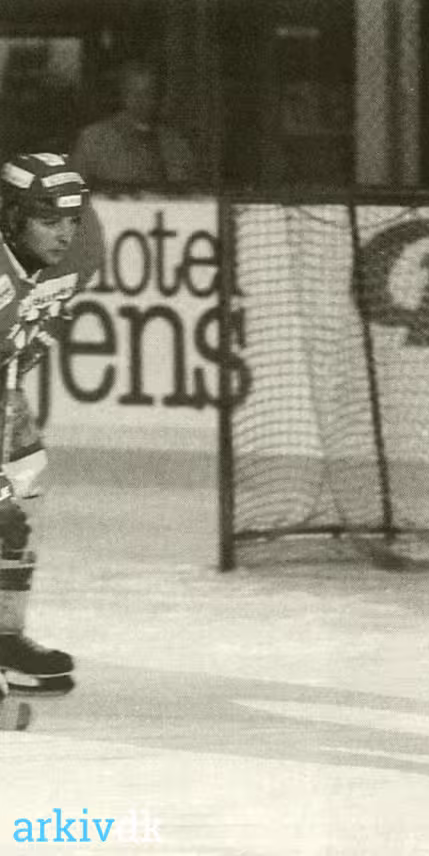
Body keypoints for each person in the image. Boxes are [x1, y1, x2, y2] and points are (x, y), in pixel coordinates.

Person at [0, 152, 100, 702]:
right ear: (12, 216)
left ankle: (5, 638)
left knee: (25, 481)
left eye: (70, 220)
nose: (64, 235)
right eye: (48, 221)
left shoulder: (83, 247)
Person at [70, 61, 204, 187]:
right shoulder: (93, 139)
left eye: (147, 92)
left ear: (157, 96)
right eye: (132, 92)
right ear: (121, 94)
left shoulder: (175, 143)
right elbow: (75, 193)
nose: (140, 99)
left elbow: (191, 193)